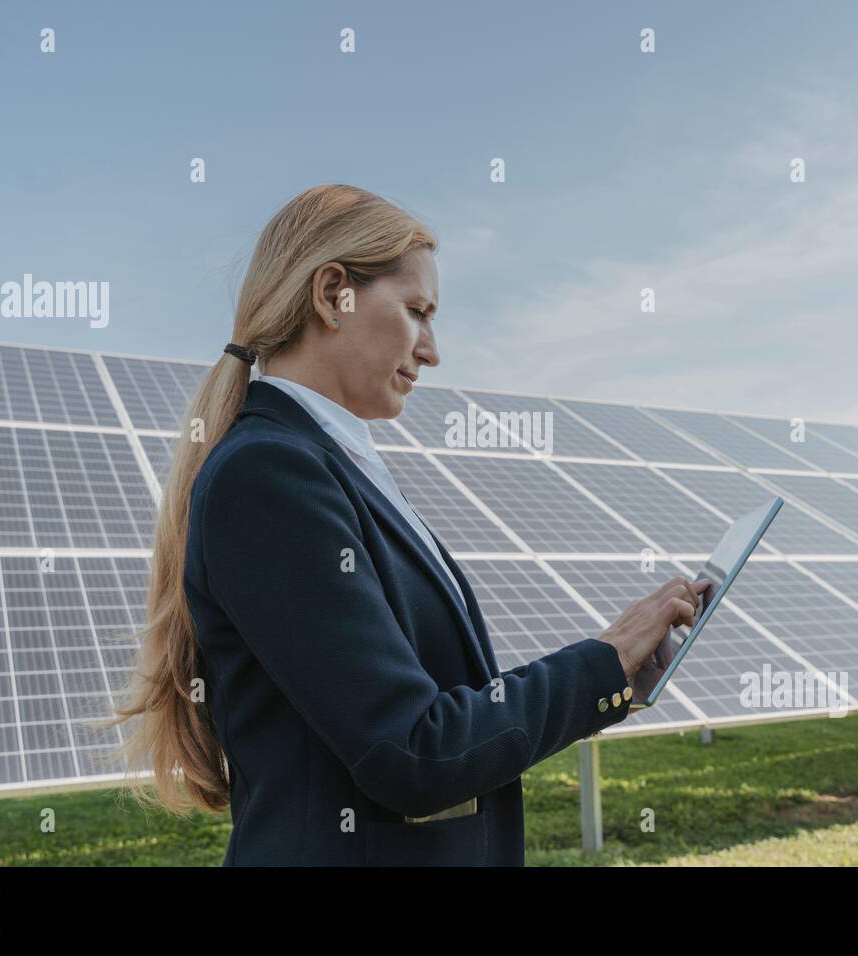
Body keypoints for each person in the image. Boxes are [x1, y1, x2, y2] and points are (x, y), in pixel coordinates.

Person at [116, 183, 708, 866]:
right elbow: (409, 750)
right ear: (332, 292)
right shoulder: (270, 475)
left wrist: (611, 683)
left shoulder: (326, 465)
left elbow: (431, 716)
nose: (431, 350)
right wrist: (601, 658)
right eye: (417, 311)